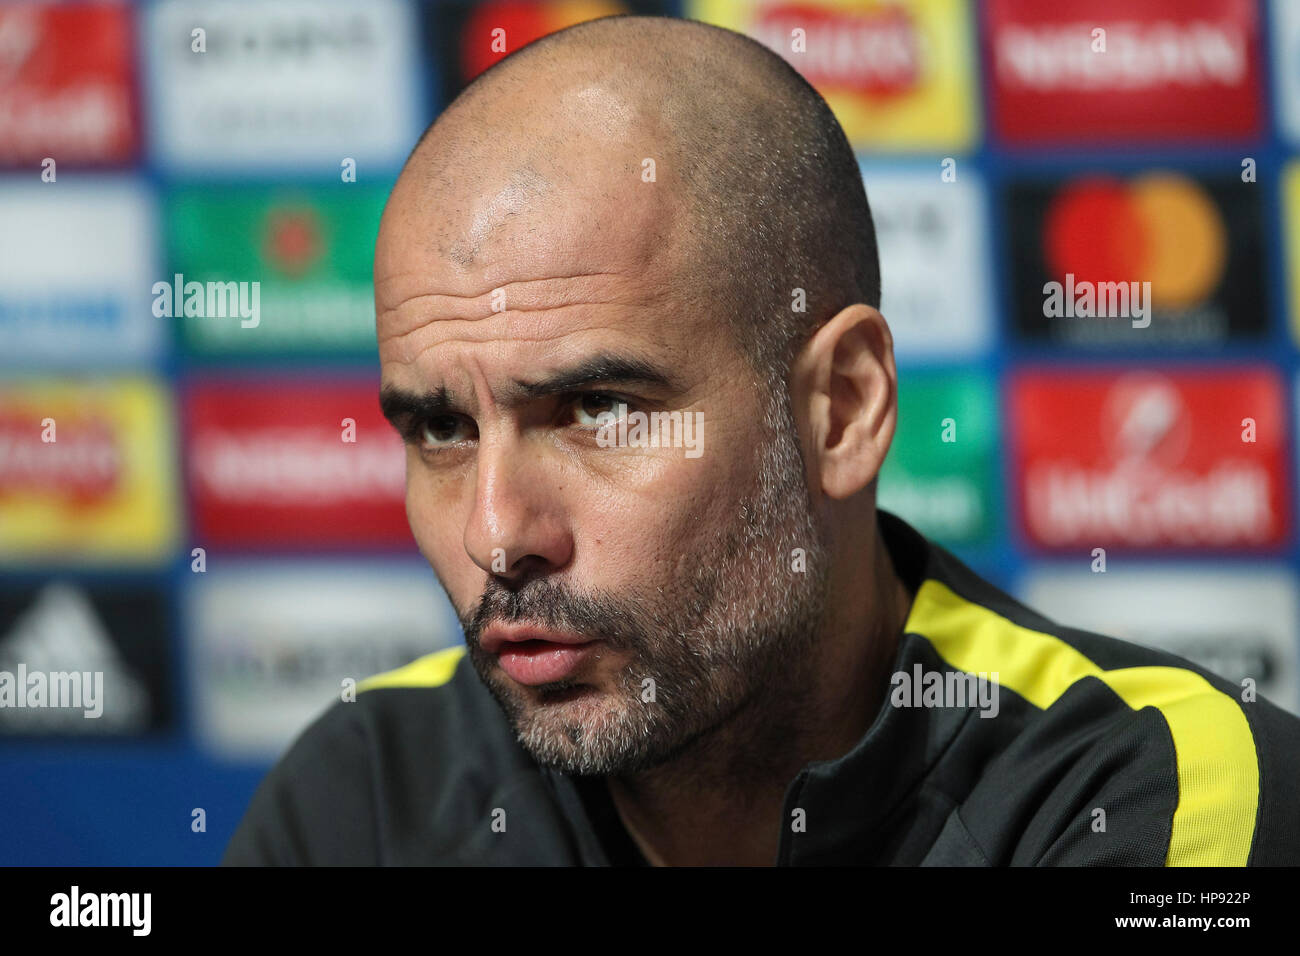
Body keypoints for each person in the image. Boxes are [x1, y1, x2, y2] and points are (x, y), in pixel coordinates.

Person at [223, 14, 1300, 866]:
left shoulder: (1155, 790)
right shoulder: (362, 791)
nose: (498, 534)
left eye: (600, 409)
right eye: (443, 428)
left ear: (842, 408)